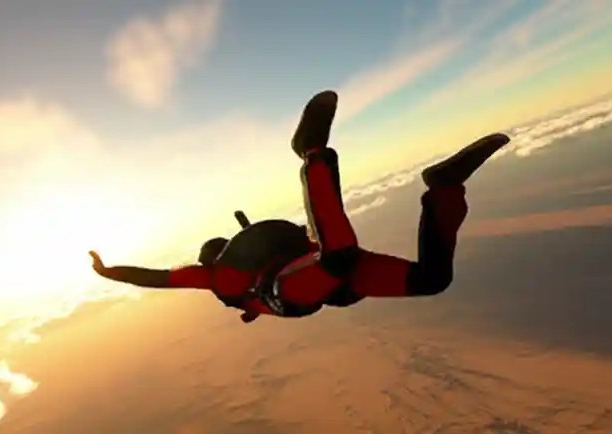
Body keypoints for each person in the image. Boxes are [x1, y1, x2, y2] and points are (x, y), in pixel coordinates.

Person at [89, 90, 510, 321]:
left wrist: (110, 272)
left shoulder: (214, 277)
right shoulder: (234, 278)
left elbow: (155, 279)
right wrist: (110, 272)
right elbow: (154, 278)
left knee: (341, 257)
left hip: (313, 279)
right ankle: (443, 188)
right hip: (334, 278)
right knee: (432, 279)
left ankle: (311, 151)